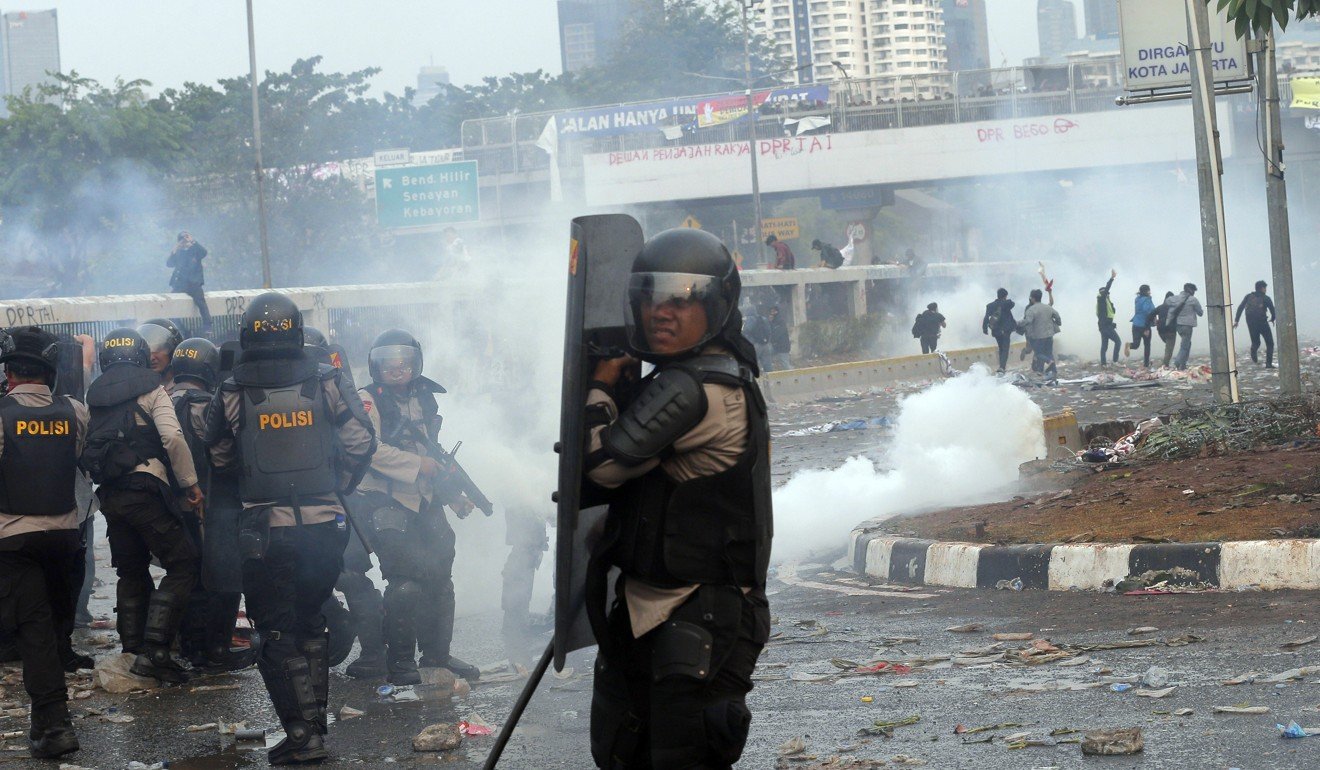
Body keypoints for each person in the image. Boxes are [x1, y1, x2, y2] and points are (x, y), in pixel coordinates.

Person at [584, 228, 772, 769]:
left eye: (681, 299)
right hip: (655, 605)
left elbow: (604, 467)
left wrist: (598, 387)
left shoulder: (700, 387)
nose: (660, 313)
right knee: (625, 752)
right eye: (650, 298)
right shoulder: (686, 376)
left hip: (702, 611)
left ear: (716, 306)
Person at [205, 292, 375, 765]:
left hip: (266, 529)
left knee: (275, 633)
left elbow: (216, 452)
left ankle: (303, 736)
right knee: (311, 621)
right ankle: (313, 728)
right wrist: (335, 485)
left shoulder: (232, 390)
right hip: (327, 525)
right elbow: (362, 441)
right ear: (298, 330)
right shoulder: (327, 381)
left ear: (246, 334)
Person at [355, 329, 480, 685]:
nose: (396, 371)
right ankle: (401, 663)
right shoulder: (367, 400)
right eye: (388, 366)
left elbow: (433, 453)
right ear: (376, 368)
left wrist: (452, 493)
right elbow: (369, 448)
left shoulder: (424, 396)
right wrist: (415, 464)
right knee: (406, 580)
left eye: (403, 364)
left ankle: (438, 655)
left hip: (425, 497)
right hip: (385, 499)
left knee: (442, 575)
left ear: (415, 364)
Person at [82, 328, 203, 685]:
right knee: (183, 564)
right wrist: (190, 484)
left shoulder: (96, 395)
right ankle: (156, 652)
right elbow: (172, 437)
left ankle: (132, 650)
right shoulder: (152, 389)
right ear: (139, 355)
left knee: (131, 570)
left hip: (112, 495)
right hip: (146, 488)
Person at [0, 327, 89, 759]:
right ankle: (51, 724)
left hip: (15, 540)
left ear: (9, 373)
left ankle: (55, 727)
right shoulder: (74, 410)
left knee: (35, 633)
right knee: (54, 629)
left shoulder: (1, 413)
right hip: (65, 536)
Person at [303, 328, 387, 680]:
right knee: (310, 575)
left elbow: (361, 441)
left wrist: (345, 483)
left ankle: (374, 650)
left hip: (341, 497)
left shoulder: (336, 387)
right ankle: (335, 638)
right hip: (315, 496)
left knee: (350, 574)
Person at [167, 338, 249, 672]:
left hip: (171, 504)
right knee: (221, 577)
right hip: (211, 502)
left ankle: (189, 646)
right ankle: (213, 649)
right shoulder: (207, 404)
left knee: (187, 574)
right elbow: (226, 451)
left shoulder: (160, 400)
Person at [501, 507, 549, 669]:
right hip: (526, 541)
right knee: (518, 576)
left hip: (529, 542)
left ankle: (517, 624)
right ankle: (515, 629)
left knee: (523, 576)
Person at [167, 232, 212, 331]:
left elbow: (204, 252)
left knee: (201, 302)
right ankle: (176, 326)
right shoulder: (179, 252)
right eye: (182, 240)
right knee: (171, 303)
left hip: (194, 283)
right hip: (180, 284)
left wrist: (192, 241)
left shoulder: (195, 250)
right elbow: (169, 264)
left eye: (186, 238)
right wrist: (175, 249)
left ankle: (208, 326)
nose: (184, 241)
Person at [1234, 280, 1278, 368]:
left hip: (1250, 323)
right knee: (1270, 343)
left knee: (1256, 342)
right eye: (1265, 288)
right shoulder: (1266, 298)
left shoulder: (1248, 296)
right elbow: (1273, 310)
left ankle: (1253, 351)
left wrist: (1236, 320)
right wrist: (1273, 319)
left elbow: (1241, 307)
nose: (1266, 290)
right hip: (1263, 323)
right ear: (1262, 288)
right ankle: (1268, 364)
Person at [1020, 289, 1061, 381]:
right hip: (1048, 334)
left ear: (1032, 298)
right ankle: (1051, 371)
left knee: (1038, 353)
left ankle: (1044, 367)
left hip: (1037, 335)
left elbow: (1027, 321)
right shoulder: (1044, 307)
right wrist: (1058, 322)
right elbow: (1056, 314)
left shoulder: (1031, 309)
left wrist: (1017, 324)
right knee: (1047, 352)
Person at [1167, 283, 1204, 370]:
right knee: (1184, 346)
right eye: (1194, 291)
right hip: (1187, 325)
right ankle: (1177, 362)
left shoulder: (1176, 298)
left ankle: (1183, 365)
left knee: (1187, 343)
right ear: (1191, 290)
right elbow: (1200, 313)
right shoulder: (1193, 299)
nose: (1194, 292)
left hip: (1178, 325)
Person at [138, 320, 184, 389]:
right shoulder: (138, 390)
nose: (151, 358)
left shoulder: (186, 388)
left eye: (159, 349)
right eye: (147, 351)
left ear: (174, 350)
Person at [982, 289, 1016, 373]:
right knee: (1005, 348)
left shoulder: (990, 306)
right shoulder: (1007, 303)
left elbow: (986, 318)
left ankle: (1001, 366)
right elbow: (1013, 304)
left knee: (1001, 348)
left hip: (996, 331)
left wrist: (985, 328)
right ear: (1005, 296)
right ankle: (1002, 367)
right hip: (1006, 331)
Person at [1096, 270, 1121, 366]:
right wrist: (1112, 278)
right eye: (1107, 293)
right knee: (1118, 342)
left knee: (1104, 346)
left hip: (1104, 326)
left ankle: (1103, 363)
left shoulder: (1105, 302)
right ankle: (1115, 361)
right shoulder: (1101, 299)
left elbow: (1112, 312)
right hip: (1106, 326)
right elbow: (1107, 289)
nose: (1108, 294)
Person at [1128, 285, 1156, 369]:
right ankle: (1146, 364)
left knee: (1136, 344)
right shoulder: (1147, 300)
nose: (1150, 292)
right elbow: (1147, 313)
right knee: (1147, 345)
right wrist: (1147, 328)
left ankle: (1129, 345)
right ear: (1146, 291)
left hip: (1136, 324)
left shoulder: (1137, 299)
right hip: (1144, 325)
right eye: (1149, 290)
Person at [1153, 291, 1178, 368]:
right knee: (1169, 348)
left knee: (1168, 346)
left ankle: (1164, 363)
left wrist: (1155, 321)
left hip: (1161, 331)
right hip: (1170, 330)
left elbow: (1151, 314)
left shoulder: (1160, 307)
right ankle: (1165, 365)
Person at [767, 304, 791, 371]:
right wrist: (770, 322)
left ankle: (793, 376)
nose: (772, 313)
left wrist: (772, 340)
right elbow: (769, 331)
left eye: (774, 311)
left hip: (783, 346)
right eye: (771, 311)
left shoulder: (781, 321)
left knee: (785, 364)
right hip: (775, 346)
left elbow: (777, 334)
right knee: (766, 354)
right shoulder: (772, 321)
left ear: (777, 311)